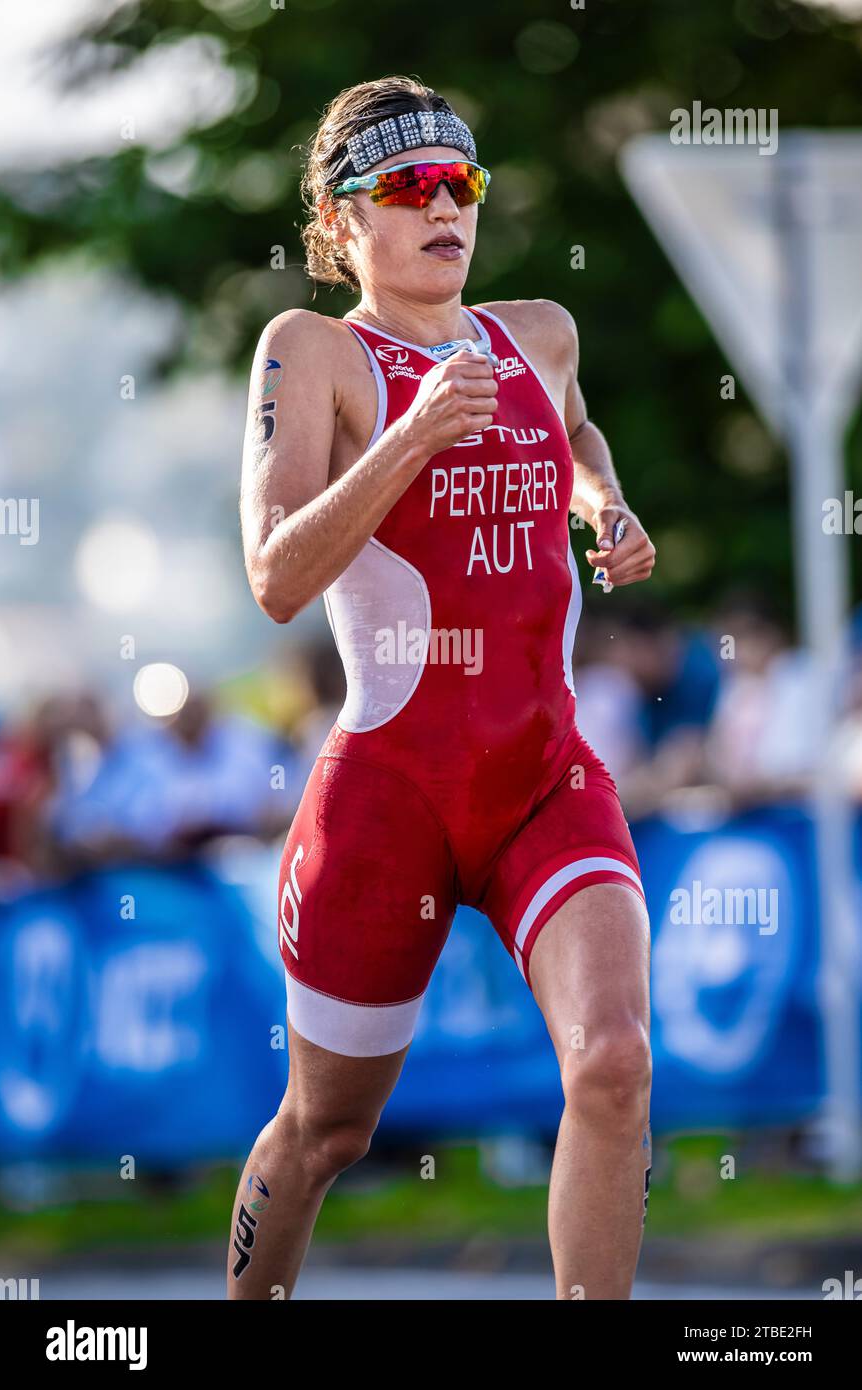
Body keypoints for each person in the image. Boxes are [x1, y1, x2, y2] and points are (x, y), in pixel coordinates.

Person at [234, 76, 656, 1301]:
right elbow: (272, 575)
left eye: (459, 184)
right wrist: (412, 434)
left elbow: (571, 432)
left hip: (542, 775)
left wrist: (604, 506)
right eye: (408, 188)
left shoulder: (536, 332)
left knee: (614, 1062)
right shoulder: (310, 350)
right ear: (337, 223)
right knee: (325, 1133)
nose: (443, 209)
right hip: (389, 795)